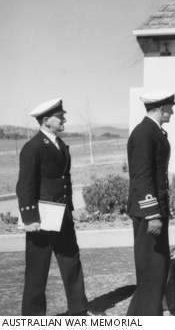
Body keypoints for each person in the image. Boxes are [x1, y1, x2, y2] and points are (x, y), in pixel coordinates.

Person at [16, 98, 102, 316]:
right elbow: (25, 186)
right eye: (59, 116)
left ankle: (79, 310)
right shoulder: (33, 147)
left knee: (71, 260)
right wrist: (30, 219)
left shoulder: (60, 144)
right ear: (46, 121)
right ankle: (32, 317)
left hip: (62, 214)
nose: (64, 119)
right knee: (37, 269)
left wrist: (69, 210)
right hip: (42, 218)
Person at [126, 90, 175, 316]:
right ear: (161, 109)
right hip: (149, 213)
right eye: (170, 108)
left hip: (155, 209)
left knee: (157, 269)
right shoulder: (145, 133)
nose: (173, 112)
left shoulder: (153, 131)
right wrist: (153, 214)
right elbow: (142, 176)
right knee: (151, 271)